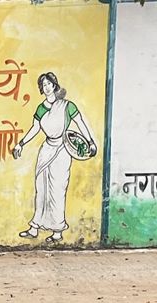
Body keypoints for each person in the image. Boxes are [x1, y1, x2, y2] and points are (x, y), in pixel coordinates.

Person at [12, 72, 95, 243]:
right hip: (46, 150)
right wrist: (21, 143)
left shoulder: (66, 106)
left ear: (54, 85)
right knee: (41, 189)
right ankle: (35, 227)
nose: (47, 87)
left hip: (63, 149)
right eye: (43, 85)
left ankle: (57, 231)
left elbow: (80, 122)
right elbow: (35, 129)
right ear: (41, 89)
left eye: (49, 84)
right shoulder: (41, 109)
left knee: (57, 189)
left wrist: (90, 142)